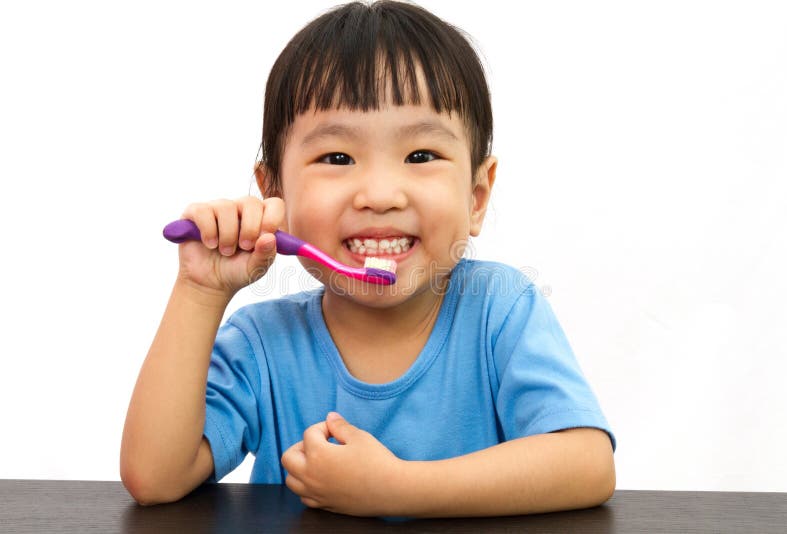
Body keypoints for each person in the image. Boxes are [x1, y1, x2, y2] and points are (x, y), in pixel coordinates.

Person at [120, 0, 616, 517]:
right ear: (275, 197)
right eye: (337, 158)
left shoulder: (501, 309)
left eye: (421, 156)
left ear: (476, 196)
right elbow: (155, 479)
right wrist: (200, 292)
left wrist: (399, 488)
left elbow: (588, 463)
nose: (380, 194)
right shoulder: (262, 345)